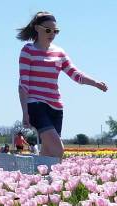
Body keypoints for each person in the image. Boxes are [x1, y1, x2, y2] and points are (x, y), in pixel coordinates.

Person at [17, 11, 108, 160]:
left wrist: (95, 83)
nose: (52, 34)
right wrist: (25, 111)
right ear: (37, 28)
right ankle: (53, 175)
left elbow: (75, 74)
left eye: (56, 31)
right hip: (36, 105)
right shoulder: (28, 51)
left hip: (56, 107)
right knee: (58, 149)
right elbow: (23, 85)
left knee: (48, 153)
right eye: (48, 30)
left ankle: (39, 174)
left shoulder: (59, 52)